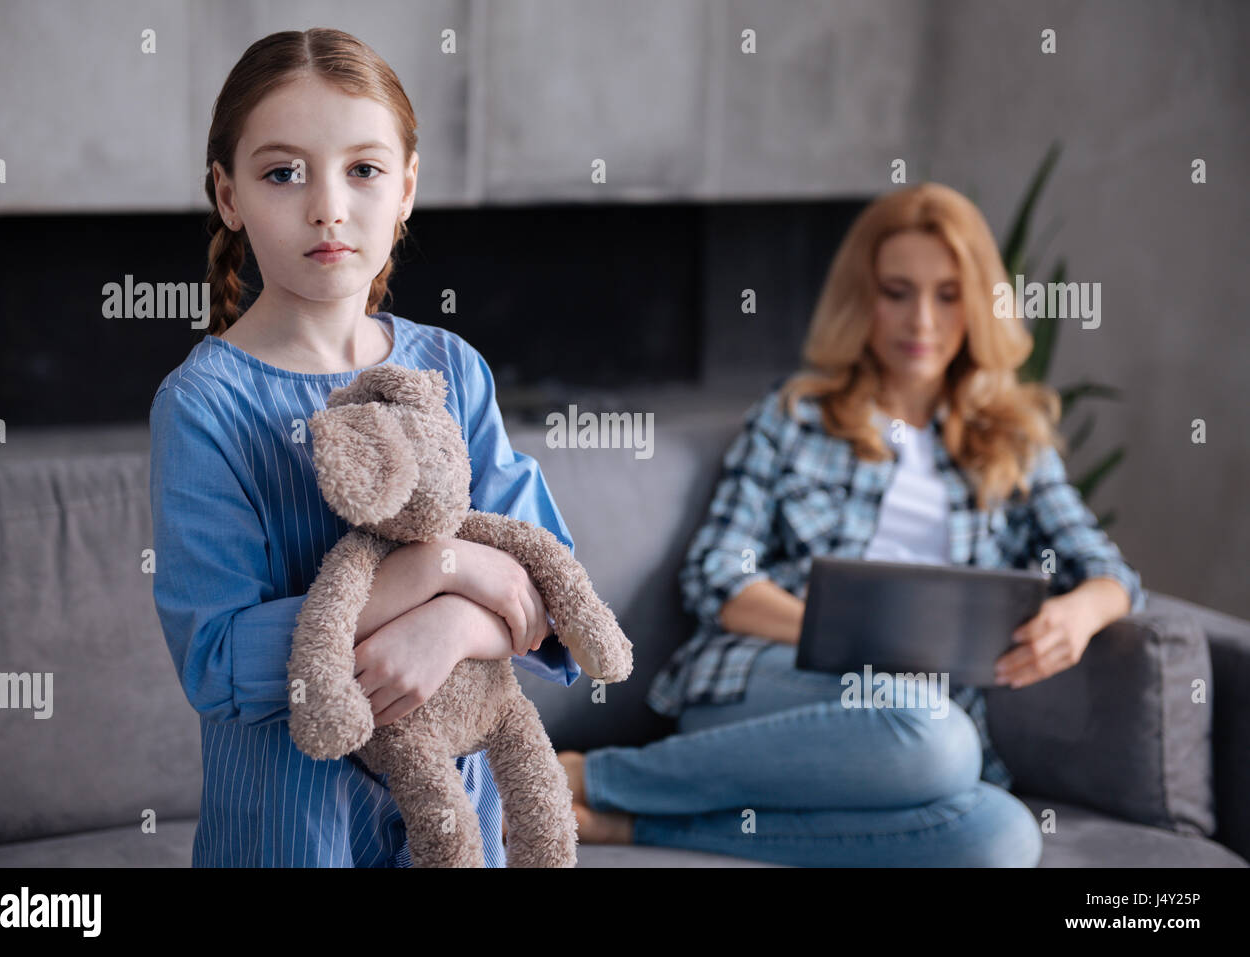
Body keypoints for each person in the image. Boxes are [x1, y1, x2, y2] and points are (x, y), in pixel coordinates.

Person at [557, 182, 1145, 867]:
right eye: (897, 291)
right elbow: (716, 575)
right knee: (939, 736)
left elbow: (1111, 573)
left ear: (978, 303)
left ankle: (629, 826)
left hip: (900, 729)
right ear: (862, 299)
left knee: (1003, 838)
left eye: (947, 294)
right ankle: (592, 775)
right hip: (772, 677)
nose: (921, 319)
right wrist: (841, 631)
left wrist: (1078, 614)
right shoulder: (795, 416)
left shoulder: (1012, 443)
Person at [149, 28, 574, 867]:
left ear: (407, 188)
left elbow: (550, 589)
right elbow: (220, 662)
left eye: (364, 170)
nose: (328, 207)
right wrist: (438, 571)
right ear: (228, 195)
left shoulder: (451, 368)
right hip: (290, 836)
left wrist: (452, 625)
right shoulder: (201, 406)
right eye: (283, 173)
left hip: (457, 834)